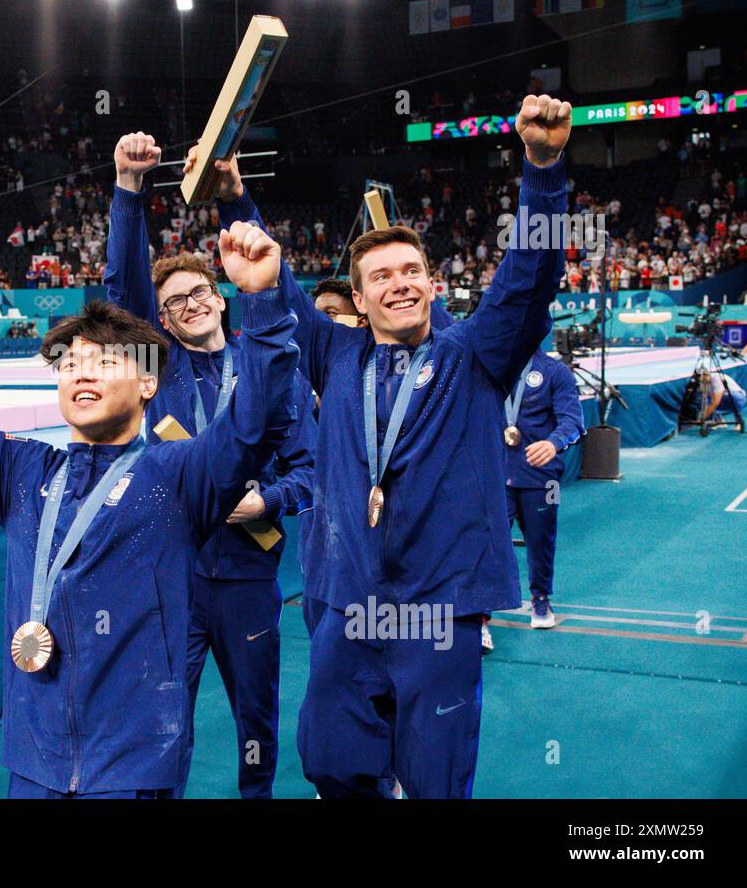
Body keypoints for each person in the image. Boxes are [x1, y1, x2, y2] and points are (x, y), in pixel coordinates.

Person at [208, 93, 575, 798]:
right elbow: (270, 281)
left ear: (433, 286)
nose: (399, 284)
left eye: (412, 273)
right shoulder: (336, 354)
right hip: (346, 600)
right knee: (330, 760)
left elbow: (531, 276)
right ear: (360, 295)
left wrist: (543, 166)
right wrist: (233, 200)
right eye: (381, 276)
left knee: (435, 778)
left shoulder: (476, 354)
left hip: (439, 606)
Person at [0, 221, 300, 798]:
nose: (82, 372)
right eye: (70, 364)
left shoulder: (178, 476)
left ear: (148, 384)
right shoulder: (22, 474)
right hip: (34, 762)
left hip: (133, 768)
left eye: (103, 363)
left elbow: (257, 421)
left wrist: (263, 299)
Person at [106, 132, 315, 799]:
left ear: (222, 297)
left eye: (199, 293)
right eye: (173, 304)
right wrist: (128, 192)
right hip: (171, 574)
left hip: (249, 574)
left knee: (256, 714)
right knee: (161, 721)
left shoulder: (271, 369)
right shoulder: (156, 372)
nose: (190, 306)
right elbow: (119, 294)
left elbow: (309, 472)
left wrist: (268, 503)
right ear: (161, 322)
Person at [482, 347, 585, 653]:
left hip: (542, 477)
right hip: (495, 474)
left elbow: (574, 423)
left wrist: (554, 443)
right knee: (487, 545)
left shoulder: (556, 373)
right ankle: (481, 619)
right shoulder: (491, 367)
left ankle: (540, 599)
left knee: (541, 541)